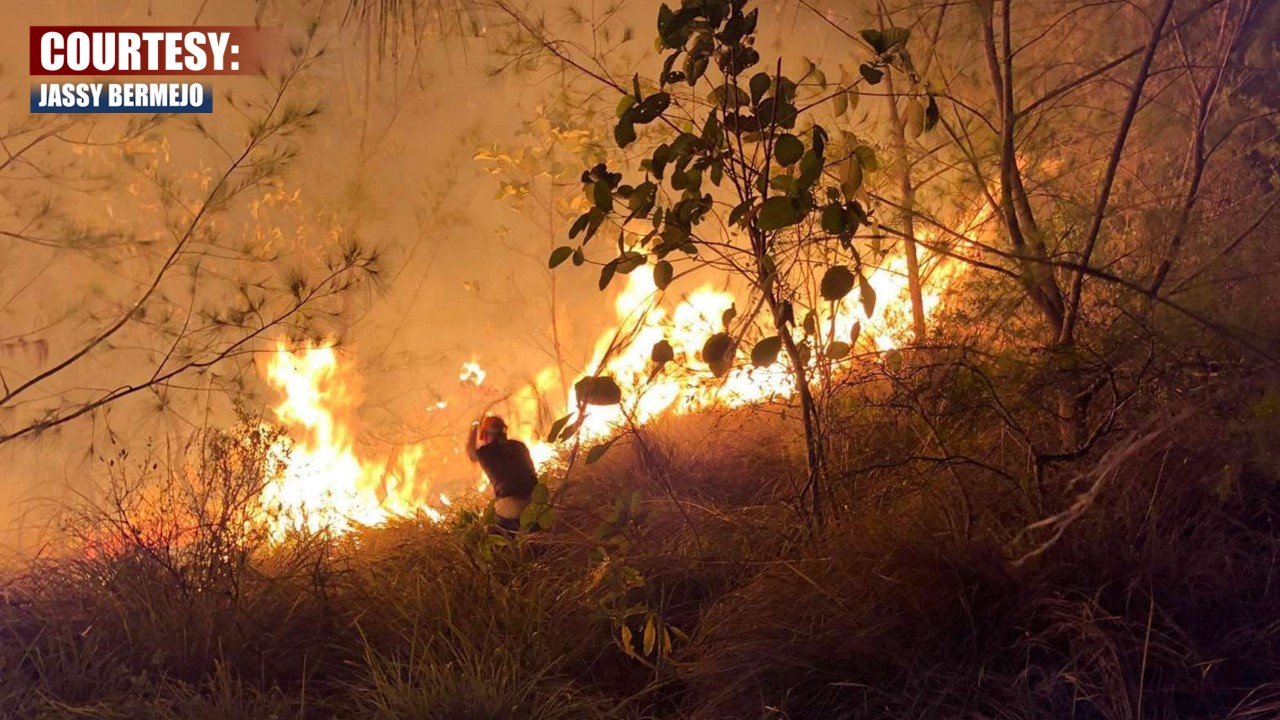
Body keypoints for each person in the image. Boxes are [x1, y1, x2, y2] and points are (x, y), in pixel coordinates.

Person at [466, 415, 538, 533]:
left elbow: (470, 452)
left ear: (484, 435)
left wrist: (474, 428)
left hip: (510, 508)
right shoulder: (520, 446)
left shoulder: (485, 452)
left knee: (487, 528)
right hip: (535, 504)